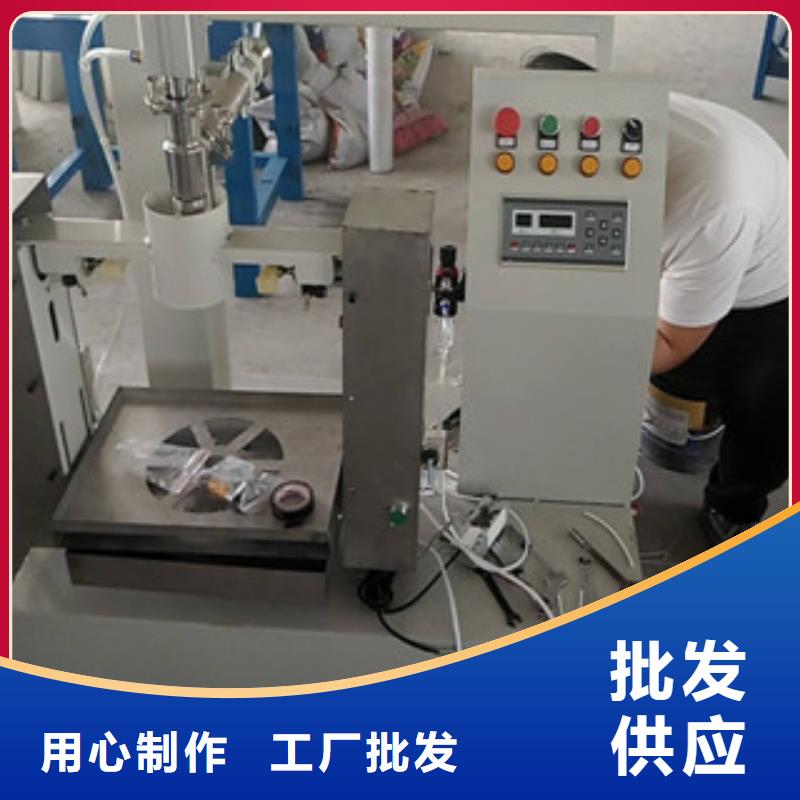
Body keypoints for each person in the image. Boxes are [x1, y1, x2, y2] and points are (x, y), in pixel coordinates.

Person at [526, 52, 789, 543]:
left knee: (762, 408)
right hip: (695, 240)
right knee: (662, 375)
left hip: (768, 284)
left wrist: (574, 358)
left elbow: (670, 343)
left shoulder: (712, 205)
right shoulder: (620, 119)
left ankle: (733, 506)